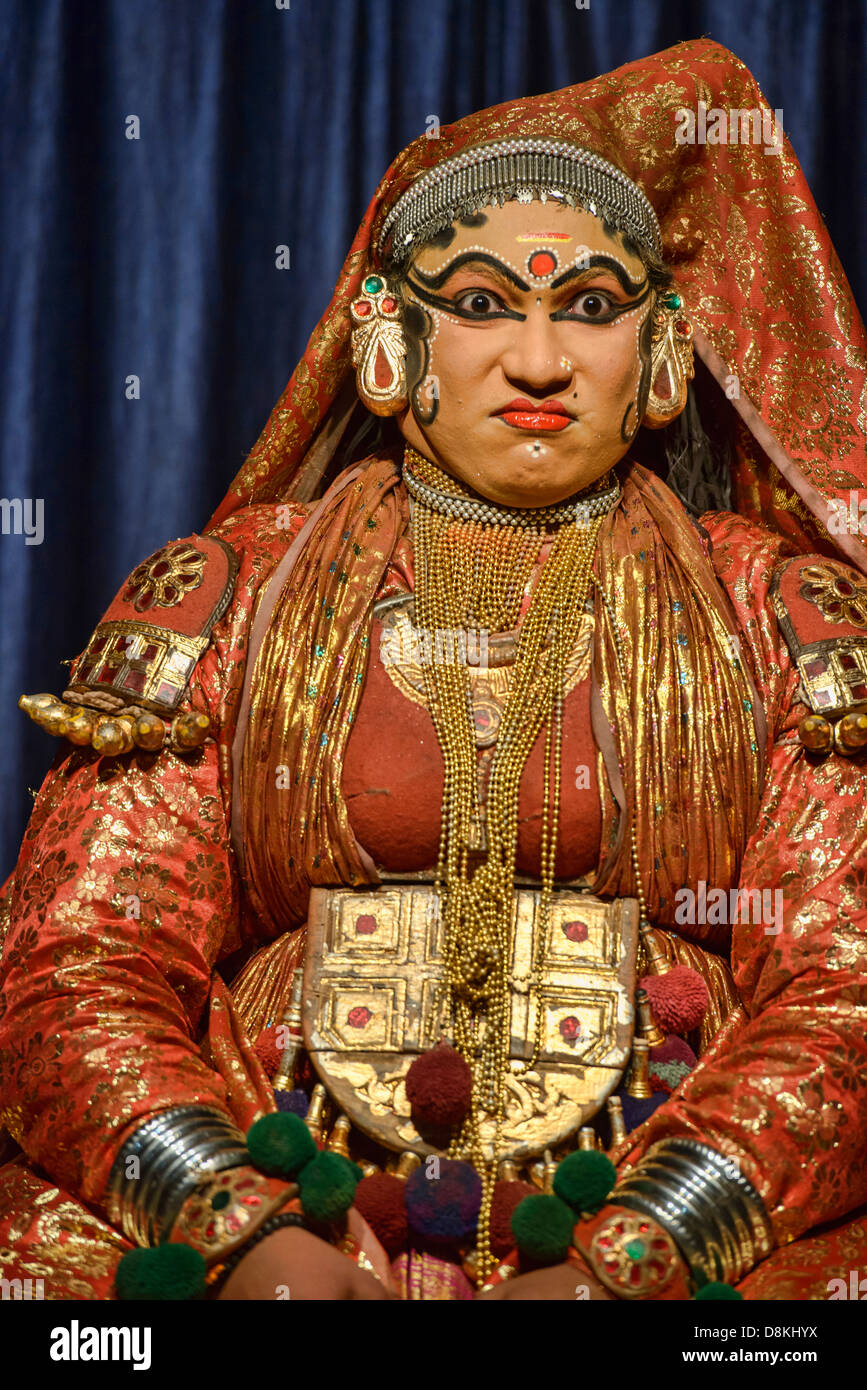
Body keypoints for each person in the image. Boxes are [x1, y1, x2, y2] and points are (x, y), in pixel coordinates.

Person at [2, 36, 866, 1302]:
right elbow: (78, 959)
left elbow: (846, 987)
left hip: (673, 1201)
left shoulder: (777, 614)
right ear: (388, 339)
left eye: (587, 304)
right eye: (477, 304)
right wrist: (233, 1223)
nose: (536, 360)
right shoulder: (228, 595)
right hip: (275, 1170)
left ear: (665, 352)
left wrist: (644, 1250)